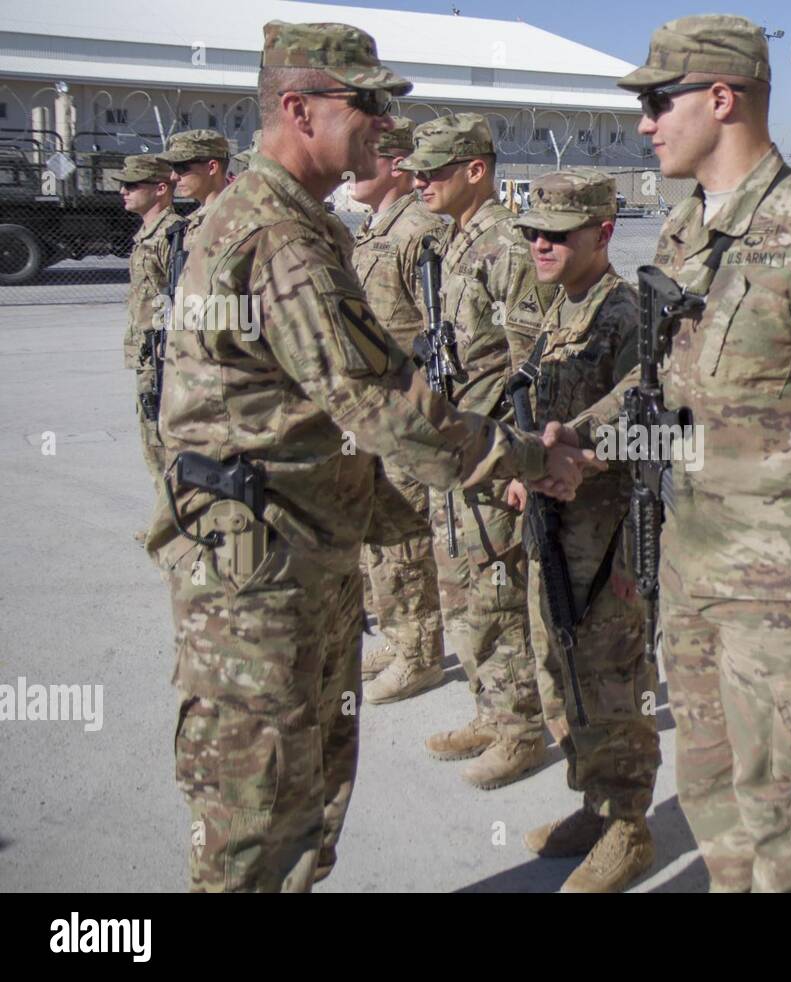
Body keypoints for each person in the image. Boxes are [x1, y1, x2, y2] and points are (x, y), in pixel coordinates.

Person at [148, 20, 598, 892]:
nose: (384, 128)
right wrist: (527, 460)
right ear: (299, 108)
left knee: (305, 802)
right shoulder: (275, 234)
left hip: (293, 549)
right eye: (368, 104)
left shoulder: (290, 220)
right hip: (260, 573)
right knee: (257, 817)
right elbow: (383, 403)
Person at [554, 14, 791, 892]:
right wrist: (582, 441)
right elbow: (664, 386)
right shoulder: (686, 231)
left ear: (722, 99)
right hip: (691, 581)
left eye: (657, 100)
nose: (644, 122)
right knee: (718, 816)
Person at [507, 169, 661, 892]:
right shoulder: (560, 310)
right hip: (554, 529)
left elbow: (648, 427)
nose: (540, 243)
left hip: (606, 544)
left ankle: (628, 826)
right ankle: (595, 804)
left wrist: (570, 461)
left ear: (601, 234)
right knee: (559, 674)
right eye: (533, 231)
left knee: (610, 684)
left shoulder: (623, 316)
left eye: (556, 234)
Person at [398, 115, 561, 789]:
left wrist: (529, 460)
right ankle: (490, 709)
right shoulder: (451, 243)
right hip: (455, 447)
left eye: (436, 170)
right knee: (463, 588)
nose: (420, 181)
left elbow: (536, 364)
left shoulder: (507, 248)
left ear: (476, 170)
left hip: (494, 449)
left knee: (495, 591)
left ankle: (521, 726)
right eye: (419, 170)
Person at [350, 116, 453, 703]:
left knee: (404, 530)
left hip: (403, 407)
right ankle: (398, 632)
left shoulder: (416, 231)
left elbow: (434, 328)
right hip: (372, 407)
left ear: (393, 163)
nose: (353, 169)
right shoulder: (374, 229)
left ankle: (420, 652)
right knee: (380, 530)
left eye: (368, 156)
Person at [111, 153, 185, 521]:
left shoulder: (172, 234)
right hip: (146, 352)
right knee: (150, 439)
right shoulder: (148, 232)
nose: (123, 191)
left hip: (162, 353)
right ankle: (165, 516)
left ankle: (174, 522)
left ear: (160, 189)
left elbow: (180, 297)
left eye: (131, 185)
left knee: (162, 439)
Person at [159, 128, 230, 251]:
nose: (173, 177)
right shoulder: (189, 223)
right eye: (172, 167)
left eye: (181, 167)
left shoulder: (236, 220)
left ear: (212, 167)